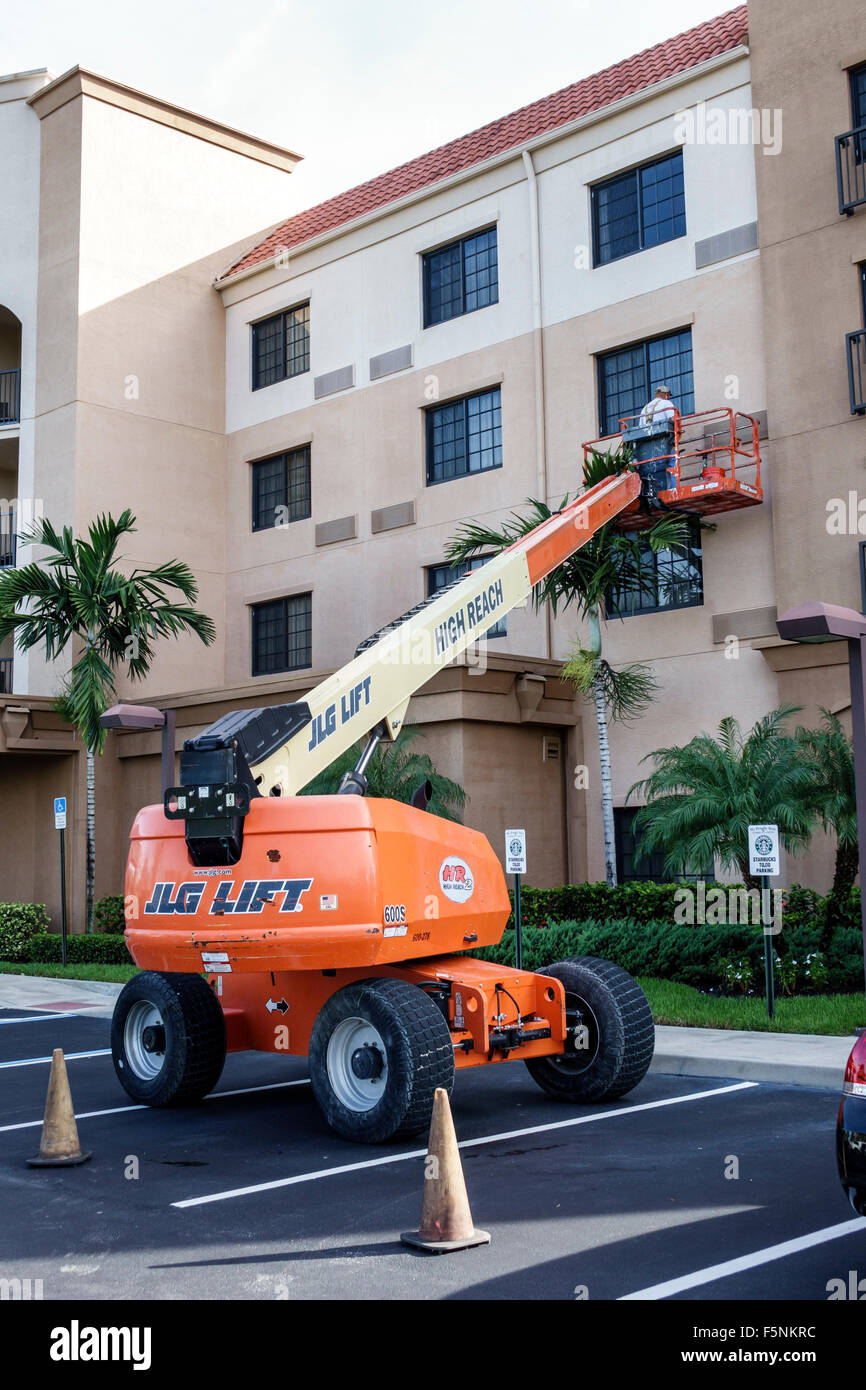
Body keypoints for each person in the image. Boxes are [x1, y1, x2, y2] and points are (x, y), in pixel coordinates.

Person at [638, 384, 678, 492]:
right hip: (663, 444)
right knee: (672, 463)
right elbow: (674, 419)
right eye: (668, 395)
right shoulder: (666, 403)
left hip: (647, 450)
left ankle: (651, 492)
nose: (669, 397)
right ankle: (673, 490)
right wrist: (678, 433)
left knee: (652, 471)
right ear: (665, 395)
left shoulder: (644, 409)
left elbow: (641, 430)